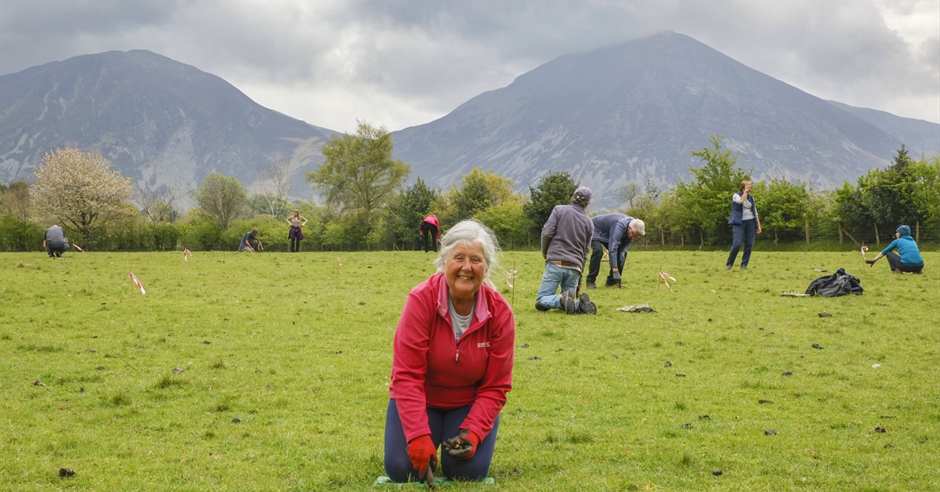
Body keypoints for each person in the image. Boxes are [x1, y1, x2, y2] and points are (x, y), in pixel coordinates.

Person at [384, 220, 514, 485]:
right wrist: (418, 435)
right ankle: (426, 435)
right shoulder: (421, 300)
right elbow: (406, 375)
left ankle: (455, 440)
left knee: (467, 471)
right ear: (444, 263)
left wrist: (474, 432)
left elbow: (496, 386)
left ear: (486, 267)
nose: (467, 267)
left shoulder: (500, 313)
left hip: (467, 403)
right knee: (403, 470)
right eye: (459, 258)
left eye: (475, 260)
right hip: (421, 398)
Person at [535, 187, 597, 314]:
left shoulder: (559, 210)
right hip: (575, 267)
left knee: (542, 300)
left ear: (573, 197)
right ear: (588, 203)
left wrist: (544, 251)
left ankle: (561, 299)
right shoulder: (589, 223)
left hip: (556, 262)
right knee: (570, 304)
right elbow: (585, 253)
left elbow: (547, 232)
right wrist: (580, 279)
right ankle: (580, 306)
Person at [586, 214, 645, 289]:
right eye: (634, 235)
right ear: (629, 228)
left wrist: (622, 252)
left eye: (637, 236)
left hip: (607, 233)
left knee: (622, 254)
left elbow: (626, 244)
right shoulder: (618, 225)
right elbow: (613, 248)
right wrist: (615, 269)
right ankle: (590, 281)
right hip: (595, 229)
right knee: (598, 251)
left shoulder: (634, 225)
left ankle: (612, 282)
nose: (634, 238)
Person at [726, 180, 762, 270]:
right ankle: (729, 263)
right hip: (739, 222)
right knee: (737, 244)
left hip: (751, 222)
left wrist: (758, 225)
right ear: (743, 187)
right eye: (747, 185)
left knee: (749, 244)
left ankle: (744, 264)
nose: (749, 186)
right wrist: (745, 192)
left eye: (750, 185)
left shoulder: (751, 198)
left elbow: (755, 212)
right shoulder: (736, 195)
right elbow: (741, 201)